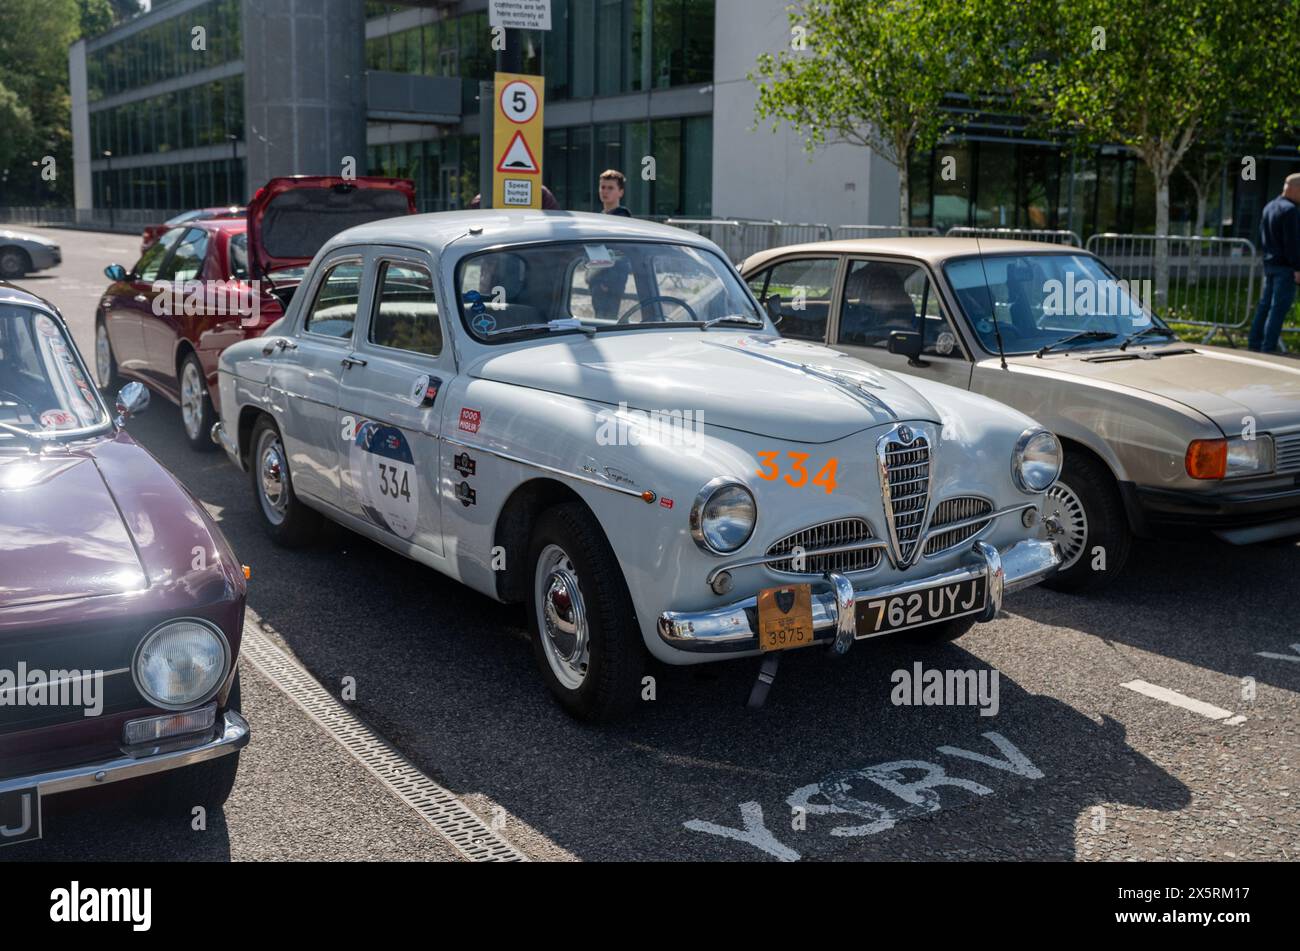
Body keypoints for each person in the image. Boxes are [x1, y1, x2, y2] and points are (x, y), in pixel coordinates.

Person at [1248, 172, 1300, 354]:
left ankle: (1254, 343)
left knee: (1265, 306)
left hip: (1270, 264)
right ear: (1294, 189)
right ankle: (1268, 348)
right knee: (1278, 308)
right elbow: (1292, 242)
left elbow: (1262, 236)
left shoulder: (1269, 206)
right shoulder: (1291, 210)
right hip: (1285, 267)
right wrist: (1297, 267)